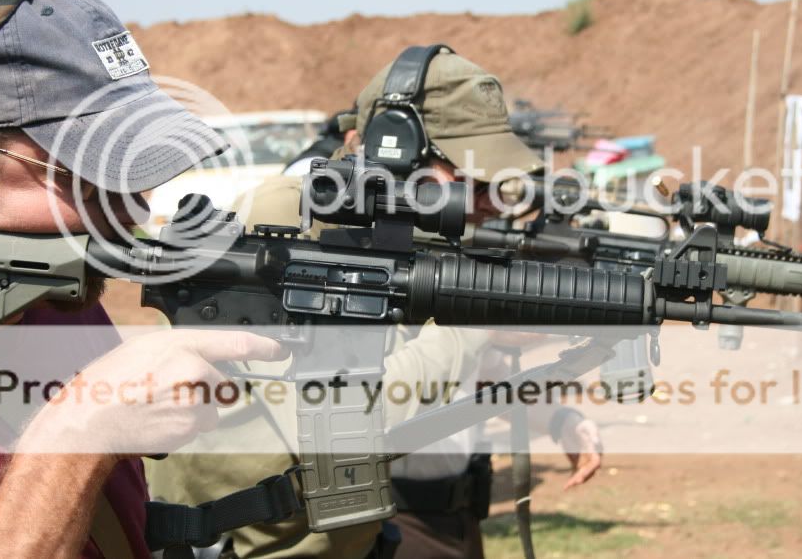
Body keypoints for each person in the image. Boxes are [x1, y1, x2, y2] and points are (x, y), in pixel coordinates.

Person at [146, 48, 604, 558]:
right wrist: (474, 325)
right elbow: (340, 418)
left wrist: (557, 413)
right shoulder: (289, 222)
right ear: (394, 145)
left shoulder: (395, 237)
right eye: (468, 175)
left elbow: (454, 369)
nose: (485, 199)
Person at [0, 0, 287, 558]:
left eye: (133, 176)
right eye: (86, 178)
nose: (133, 211)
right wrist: (77, 436)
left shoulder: (57, 311)